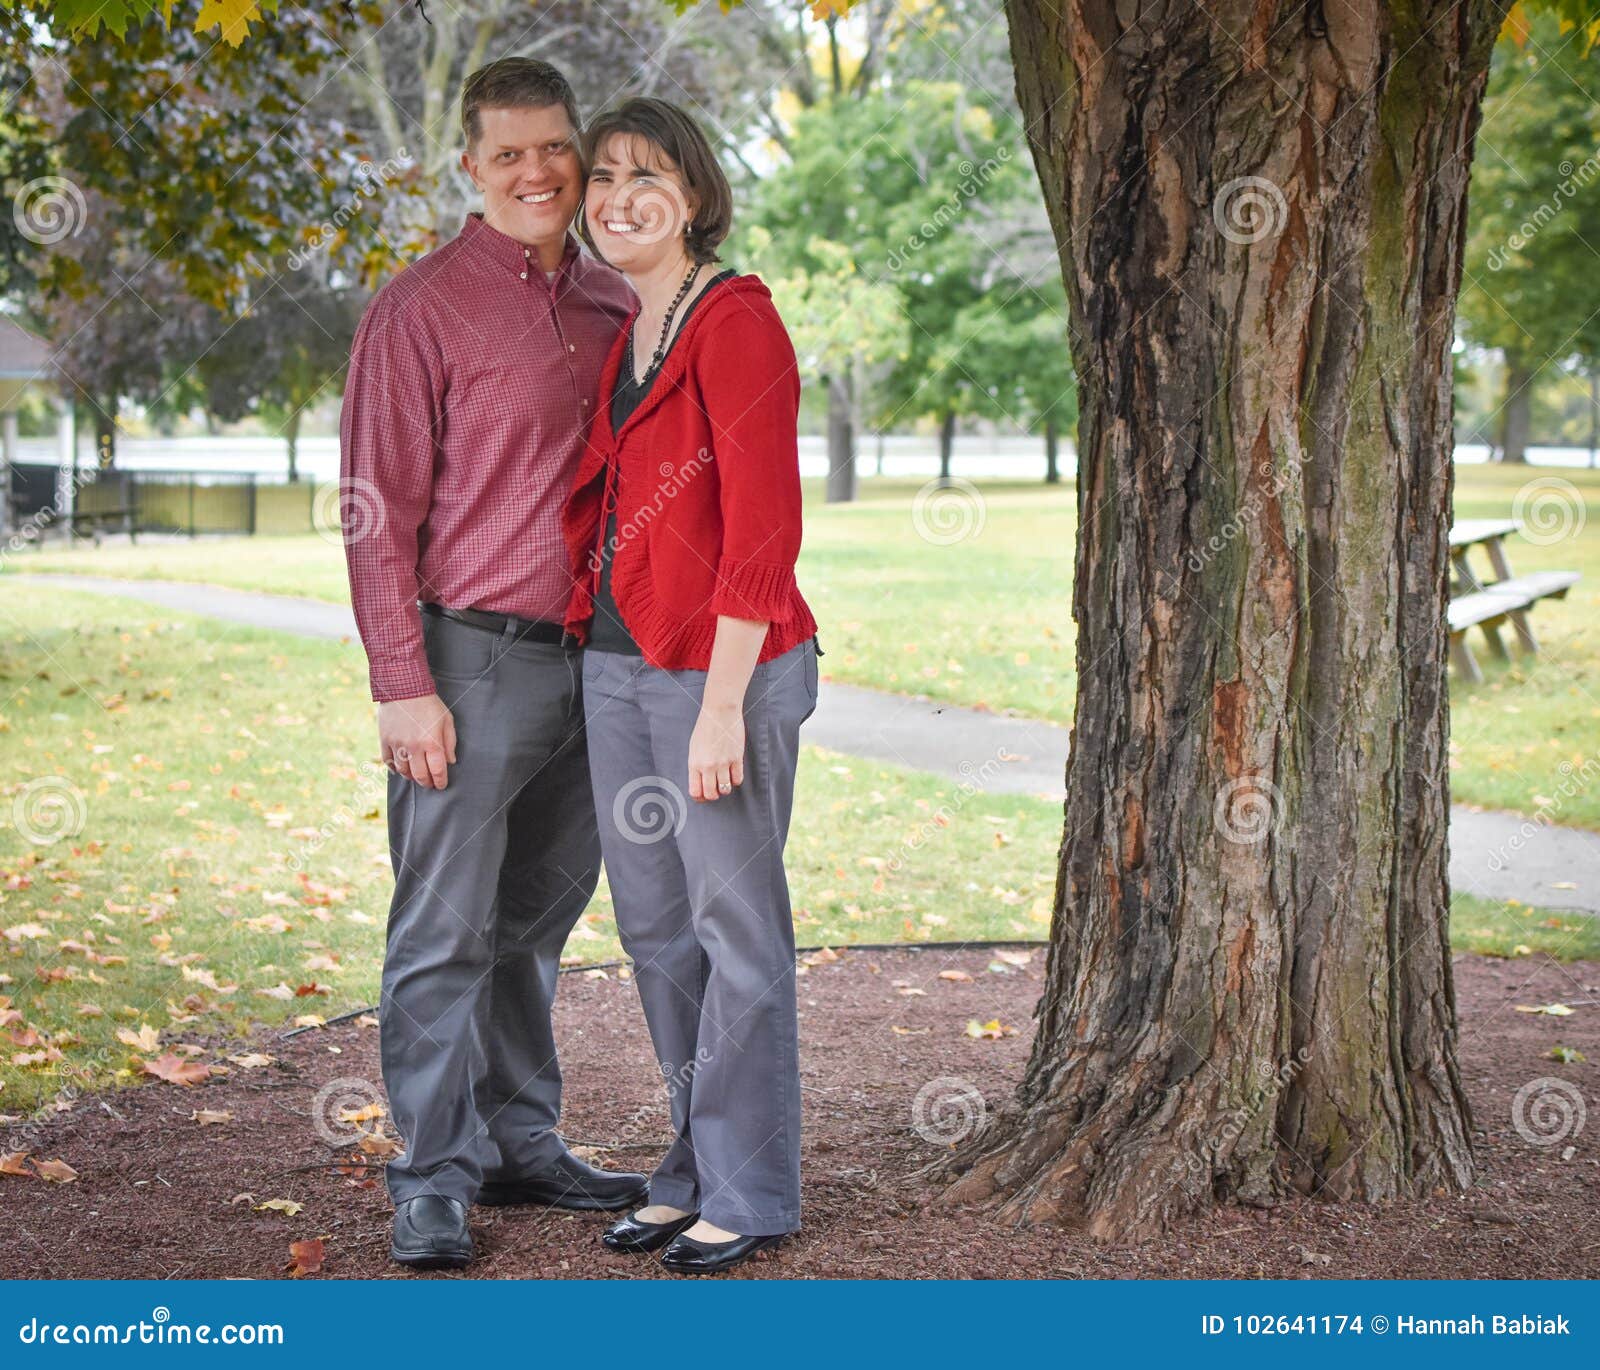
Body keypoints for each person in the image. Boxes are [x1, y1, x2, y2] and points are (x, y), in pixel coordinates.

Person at [338, 57, 648, 1271]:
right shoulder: (417, 309)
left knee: (534, 918)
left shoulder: (618, 302)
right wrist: (399, 680)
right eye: (509, 152)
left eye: (555, 149)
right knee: (442, 925)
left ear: (581, 156)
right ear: (470, 166)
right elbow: (375, 509)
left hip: (600, 665)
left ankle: (523, 1139)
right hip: (470, 659)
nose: (536, 172)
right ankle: (430, 1172)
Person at [561, 97, 819, 1276]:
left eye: (645, 174)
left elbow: (765, 531)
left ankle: (751, 1187)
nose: (618, 194)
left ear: (695, 193)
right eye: (602, 174)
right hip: (619, 664)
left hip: (723, 672)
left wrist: (720, 706)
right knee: (658, 932)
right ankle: (691, 1165)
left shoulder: (735, 320)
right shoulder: (632, 324)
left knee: (736, 932)